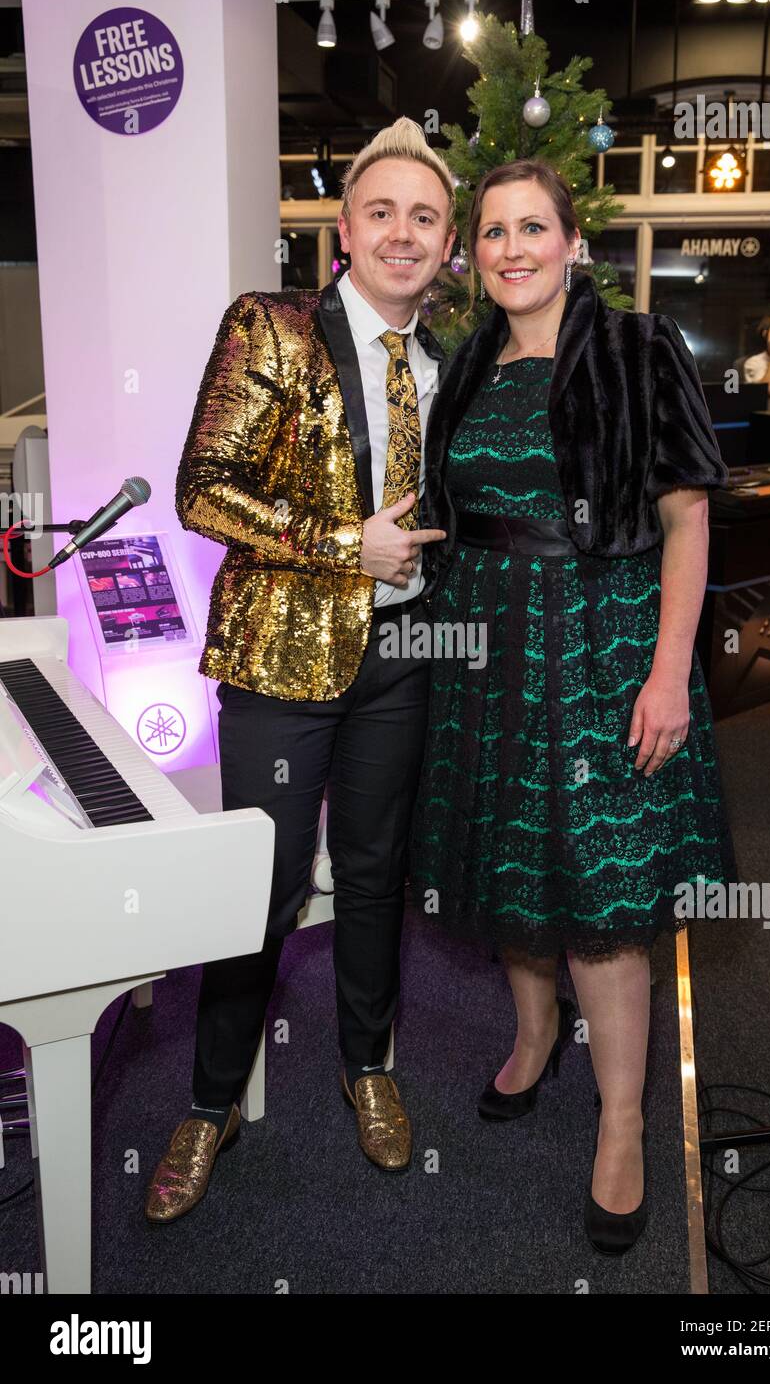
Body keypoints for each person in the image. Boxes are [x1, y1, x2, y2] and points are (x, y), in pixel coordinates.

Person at [409, 159, 740, 1255]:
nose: (510, 248)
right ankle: (535, 1030)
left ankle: (619, 1121)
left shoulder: (634, 349)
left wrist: (666, 673)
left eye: (531, 228)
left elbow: (686, 519)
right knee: (512, 859)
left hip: (605, 646)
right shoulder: (463, 363)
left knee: (600, 888)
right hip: (488, 652)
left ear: (571, 242)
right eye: (492, 230)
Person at [145, 118, 454, 1223]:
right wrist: (341, 546)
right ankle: (209, 1100)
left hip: (404, 661)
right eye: (382, 212)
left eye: (424, 217)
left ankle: (366, 1066)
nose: (401, 233)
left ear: (447, 240)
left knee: (375, 874)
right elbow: (200, 487)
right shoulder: (271, 329)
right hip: (282, 664)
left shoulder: (446, 359)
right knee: (261, 891)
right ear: (344, 227)